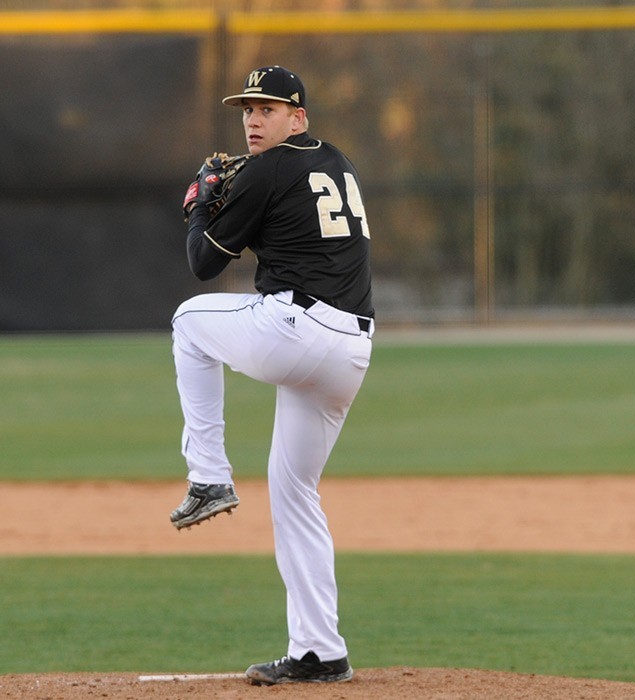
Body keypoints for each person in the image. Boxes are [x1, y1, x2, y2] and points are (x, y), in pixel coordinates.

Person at [170, 66, 374, 685]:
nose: (254, 121)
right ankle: (320, 651)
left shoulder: (266, 170)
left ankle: (208, 476)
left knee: (188, 321)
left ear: (298, 117)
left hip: (299, 330)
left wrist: (199, 211)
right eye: (248, 110)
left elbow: (203, 264)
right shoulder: (337, 161)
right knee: (294, 492)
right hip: (352, 348)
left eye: (268, 109)